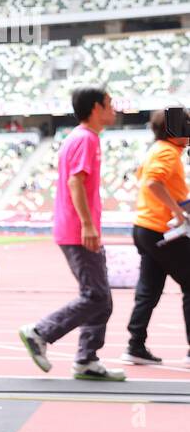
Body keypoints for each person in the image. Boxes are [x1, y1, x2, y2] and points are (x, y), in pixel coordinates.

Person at [19, 87, 124, 381]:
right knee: (96, 297)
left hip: (79, 229)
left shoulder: (83, 138)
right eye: (109, 104)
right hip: (78, 231)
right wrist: (88, 225)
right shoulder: (85, 139)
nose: (114, 109)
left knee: (100, 299)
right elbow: (75, 183)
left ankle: (87, 359)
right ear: (95, 108)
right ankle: (40, 332)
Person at [121, 109, 190, 365]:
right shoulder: (167, 152)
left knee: (149, 290)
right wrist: (178, 213)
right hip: (163, 231)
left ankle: (135, 345)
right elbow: (152, 183)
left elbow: (148, 181)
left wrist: (181, 206)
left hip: (146, 228)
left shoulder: (158, 149)